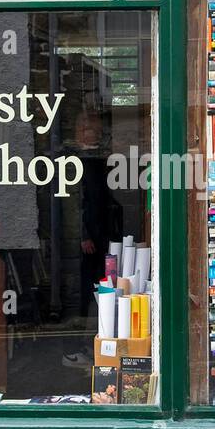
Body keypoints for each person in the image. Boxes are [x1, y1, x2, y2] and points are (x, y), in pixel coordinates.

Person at [62, 106, 120, 367]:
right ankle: (71, 350)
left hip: (100, 236)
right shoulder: (72, 160)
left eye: (97, 129)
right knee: (80, 297)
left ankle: (89, 342)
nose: (94, 133)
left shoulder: (98, 158)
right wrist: (83, 234)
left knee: (98, 292)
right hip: (86, 240)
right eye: (88, 129)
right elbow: (74, 202)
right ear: (77, 132)